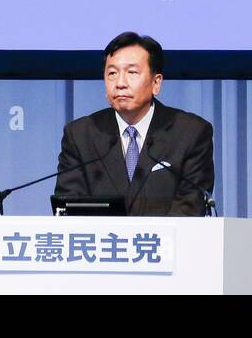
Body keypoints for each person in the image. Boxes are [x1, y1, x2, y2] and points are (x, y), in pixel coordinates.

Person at [53, 31, 214, 216]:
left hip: (165, 243)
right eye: (112, 73)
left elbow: (190, 207)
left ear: (156, 83)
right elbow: (68, 209)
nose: (120, 83)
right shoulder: (81, 134)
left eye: (132, 72)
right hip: (103, 243)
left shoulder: (190, 133)